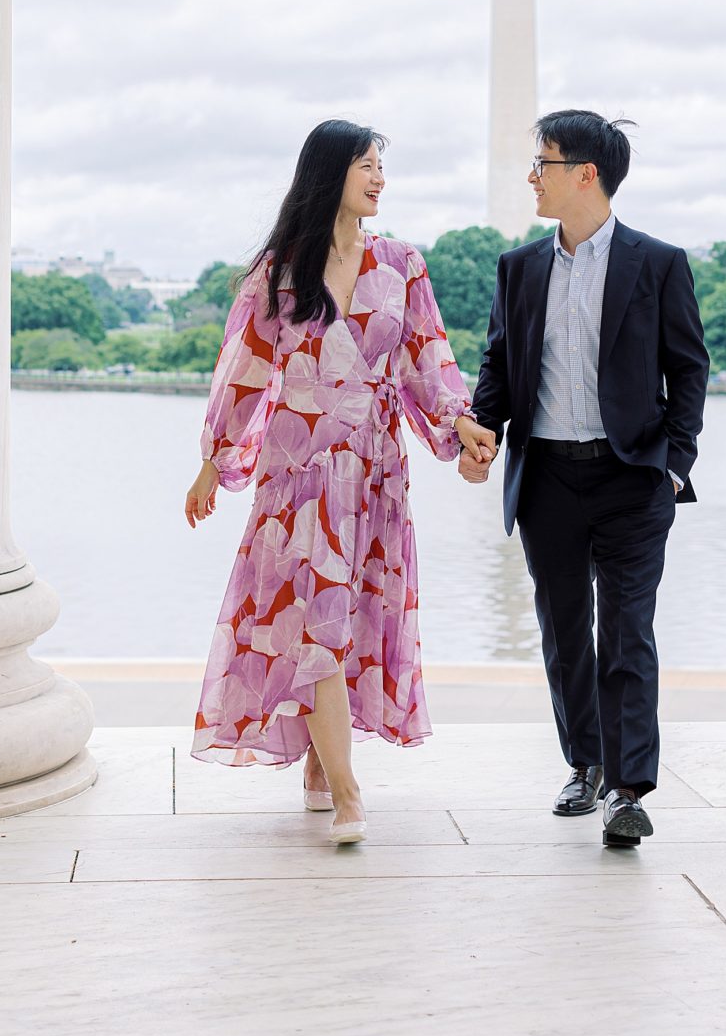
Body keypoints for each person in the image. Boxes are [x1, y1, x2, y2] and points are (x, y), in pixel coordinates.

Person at [183, 120, 497, 845]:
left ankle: (320, 767)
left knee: (351, 619)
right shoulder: (279, 272)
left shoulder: (402, 264)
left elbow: (427, 360)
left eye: (382, 165)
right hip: (299, 473)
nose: (379, 178)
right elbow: (244, 371)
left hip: (376, 471)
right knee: (317, 615)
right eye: (366, 165)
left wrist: (461, 427)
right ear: (330, 173)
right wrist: (213, 461)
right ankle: (349, 793)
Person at [460, 109, 708, 848]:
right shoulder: (518, 268)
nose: (531, 177)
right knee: (565, 631)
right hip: (546, 479)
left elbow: (688, 369)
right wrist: (481, 430)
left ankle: (628, 790)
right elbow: (499, 365)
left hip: (632, 477)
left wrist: (674, 465)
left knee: (627, 632)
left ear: (585, 174)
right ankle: (586, 765)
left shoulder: (657, 263)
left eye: (542, 163)